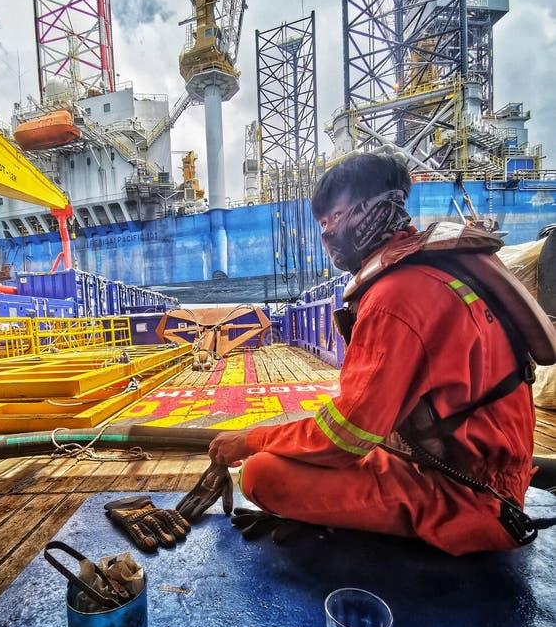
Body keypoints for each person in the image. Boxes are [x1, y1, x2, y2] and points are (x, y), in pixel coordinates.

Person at [208, 151, 545, 556]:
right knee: (294, 446)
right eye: (321, 224)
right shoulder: (435, 268)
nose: (327, 233)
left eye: (332, 218)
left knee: (262, 473)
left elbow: (345, 437)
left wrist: (251, 440)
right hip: (471, 463)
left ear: (367, 211)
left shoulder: (394, 296)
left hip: (471, 495)